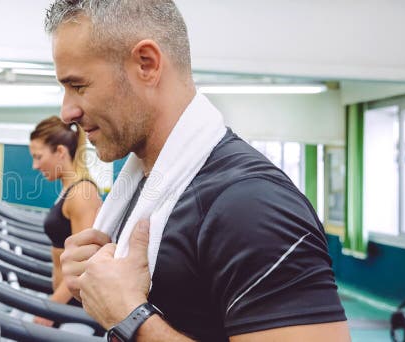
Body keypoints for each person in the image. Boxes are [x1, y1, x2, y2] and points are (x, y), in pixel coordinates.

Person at [44, 1, 350, 341]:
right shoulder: (146, 189)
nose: (67, 111)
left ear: (146, 64)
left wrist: (130, 318)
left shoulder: (251, 205)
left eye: (79, 86)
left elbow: (128, 312)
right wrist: (95, 278)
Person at [28, 116, 103, 327]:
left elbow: (84, 265)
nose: (34, 165)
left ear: (60, 152)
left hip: (73, 308)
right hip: (64, 303)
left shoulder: (81, 193)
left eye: (38, 157)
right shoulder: (68, 190)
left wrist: (51, 309)